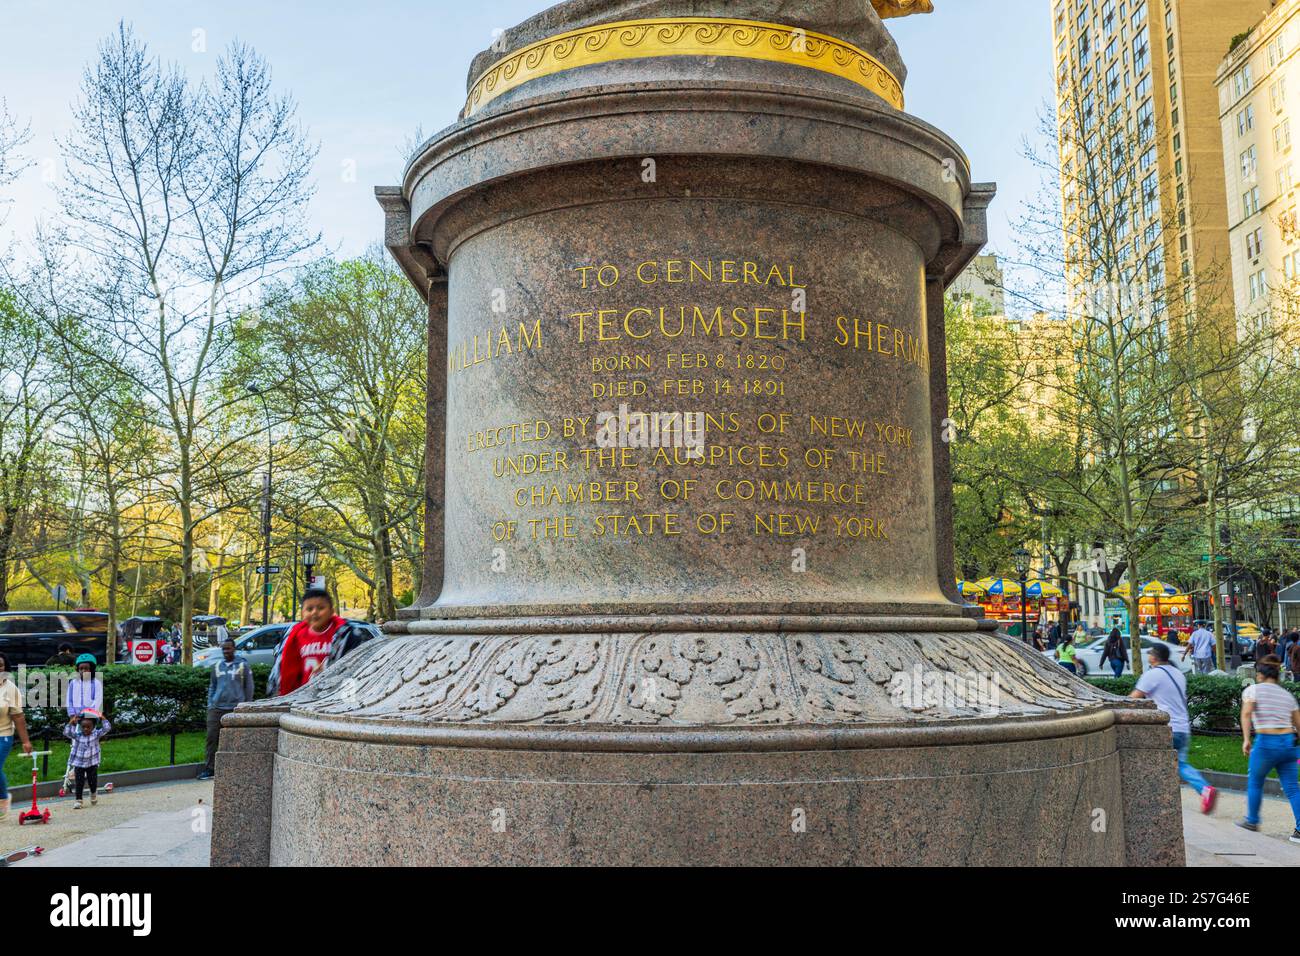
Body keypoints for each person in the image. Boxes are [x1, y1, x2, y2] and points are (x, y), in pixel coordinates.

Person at [1130, 643, 1217, 815]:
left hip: (1166, 727)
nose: (1148, 657)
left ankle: (1149, 798)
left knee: (1151, 760)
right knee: (1181, 764)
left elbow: (1133, 698)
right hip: (1183, 727)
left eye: (1150, 654)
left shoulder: (1152, 674)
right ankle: (1204, 788)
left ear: (1154, 657)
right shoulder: (1178, 674)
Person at [1235, 655, 1300, 841]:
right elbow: (1298, 724)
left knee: (1255, 781)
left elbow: (1246, 714)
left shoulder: (1252, 691)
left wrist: (1246, 739)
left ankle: (1252, 820)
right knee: (1293, 788)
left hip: (1266, 742)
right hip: (1288, 743)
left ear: (1262, 674)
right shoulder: (1287, 695)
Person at [272, 588, 375, 696]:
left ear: (331, 611)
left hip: (335, 694)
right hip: (304, 695)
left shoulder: (346, 635)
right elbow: (289, 669)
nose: (314, 612)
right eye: (309, 609)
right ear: (302, 613)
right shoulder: (294, 636)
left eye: (321, 608)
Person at [199, 637, 254, 781]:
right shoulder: (217, 666)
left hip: (236, 709)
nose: (226, 651)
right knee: (211, 738)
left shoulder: (243, 665)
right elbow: (212, 686)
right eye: (223, 649)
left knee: (238, 740)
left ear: (234, 649)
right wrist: (211, 704)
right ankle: (209, 769)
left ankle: (237, 769)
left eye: (228, 648)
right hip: (216, 708)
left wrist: (246, 706)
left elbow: (249, 687)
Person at [0, 653, 33, 820]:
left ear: (5, 668)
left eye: (0, 665)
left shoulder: (10, 688)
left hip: (3, 734)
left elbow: (18, 717)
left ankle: (3, 798)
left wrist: (26, 741)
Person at [62, 710, 111, 810]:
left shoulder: (96, 735)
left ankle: (93, 793)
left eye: (88, 727)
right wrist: (71, 722)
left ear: (93, 727)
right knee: (79, 782)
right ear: (80, 726)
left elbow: (107, 728)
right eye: (83, 727)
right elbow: (66, 733)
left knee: (92, 781)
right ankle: (78, 800)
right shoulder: (78, 736)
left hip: (92, 763)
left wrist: (103, 718)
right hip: (79, 763)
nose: (86, 729)